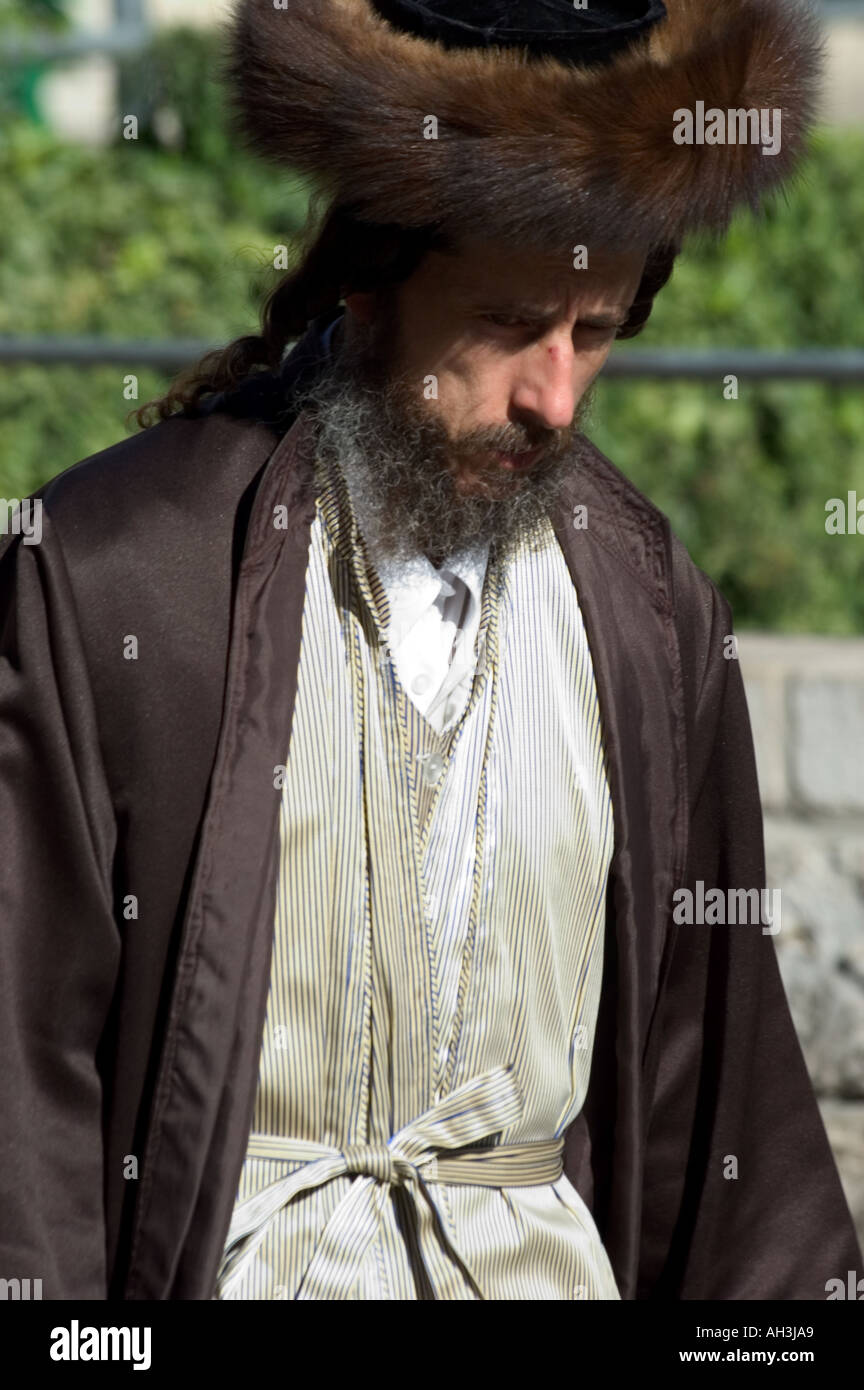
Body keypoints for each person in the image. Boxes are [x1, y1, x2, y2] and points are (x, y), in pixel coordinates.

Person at [1, 0, 860, 1301]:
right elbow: (22, 1104)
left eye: (601, 330)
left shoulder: (647, 606)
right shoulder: (118, 573)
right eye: (514, 322)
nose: (556, 396)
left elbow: (719, 1117)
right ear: (374, 271)